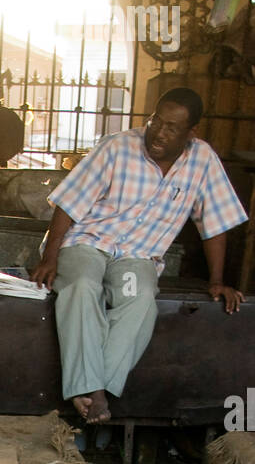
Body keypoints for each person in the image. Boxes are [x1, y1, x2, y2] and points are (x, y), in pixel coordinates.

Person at [30, 88, 248, 423]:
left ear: (191, 134)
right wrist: (51, 257)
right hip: (87, 242)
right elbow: (69, 202)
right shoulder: (117, 147)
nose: (159, 132)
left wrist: (218, 280)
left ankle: (90, 387)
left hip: (137, 257)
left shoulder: (202, 159)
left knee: (141, 297)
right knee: (84, 284)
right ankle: (95, 392)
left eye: (172, 128)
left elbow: (215, 222)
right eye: (156, 121)